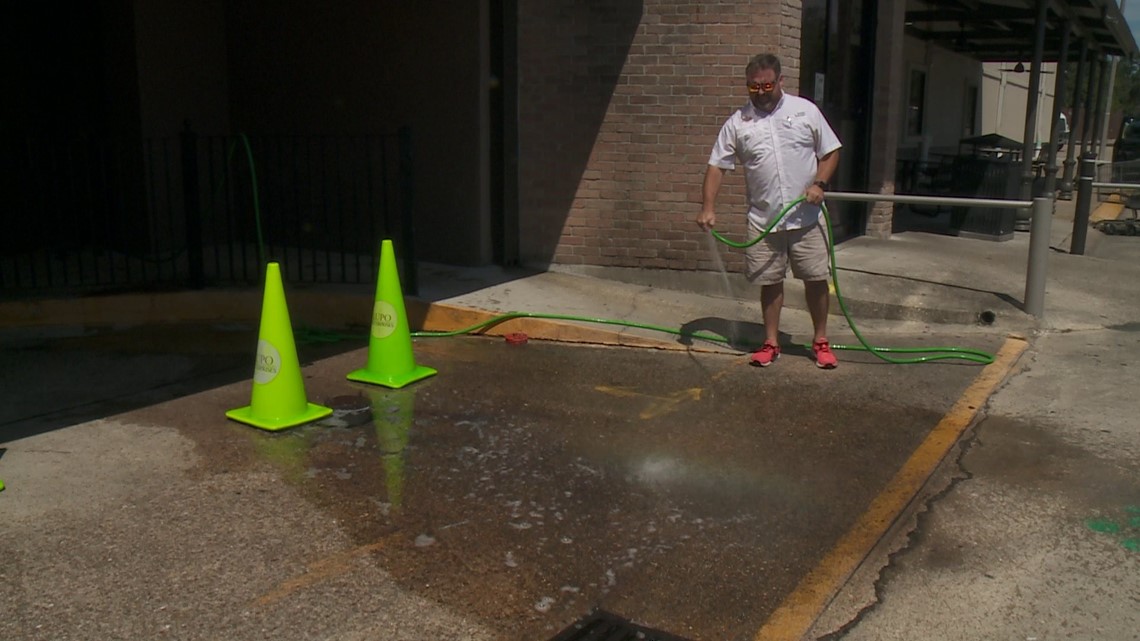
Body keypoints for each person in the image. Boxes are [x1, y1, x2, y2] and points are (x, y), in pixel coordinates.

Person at [696, 53, 842, 369]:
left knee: (816, 278)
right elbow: (717, 166)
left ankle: (820, 340)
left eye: (766, 85)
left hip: (807, 217)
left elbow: (830, 152)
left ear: (780, 81)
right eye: (753, 87)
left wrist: (820, 184)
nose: (761, 92)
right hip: (763, 220)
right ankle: (771, 342)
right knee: (770, 281)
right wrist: (708, 207)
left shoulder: (805, 111)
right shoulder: (738, 122)